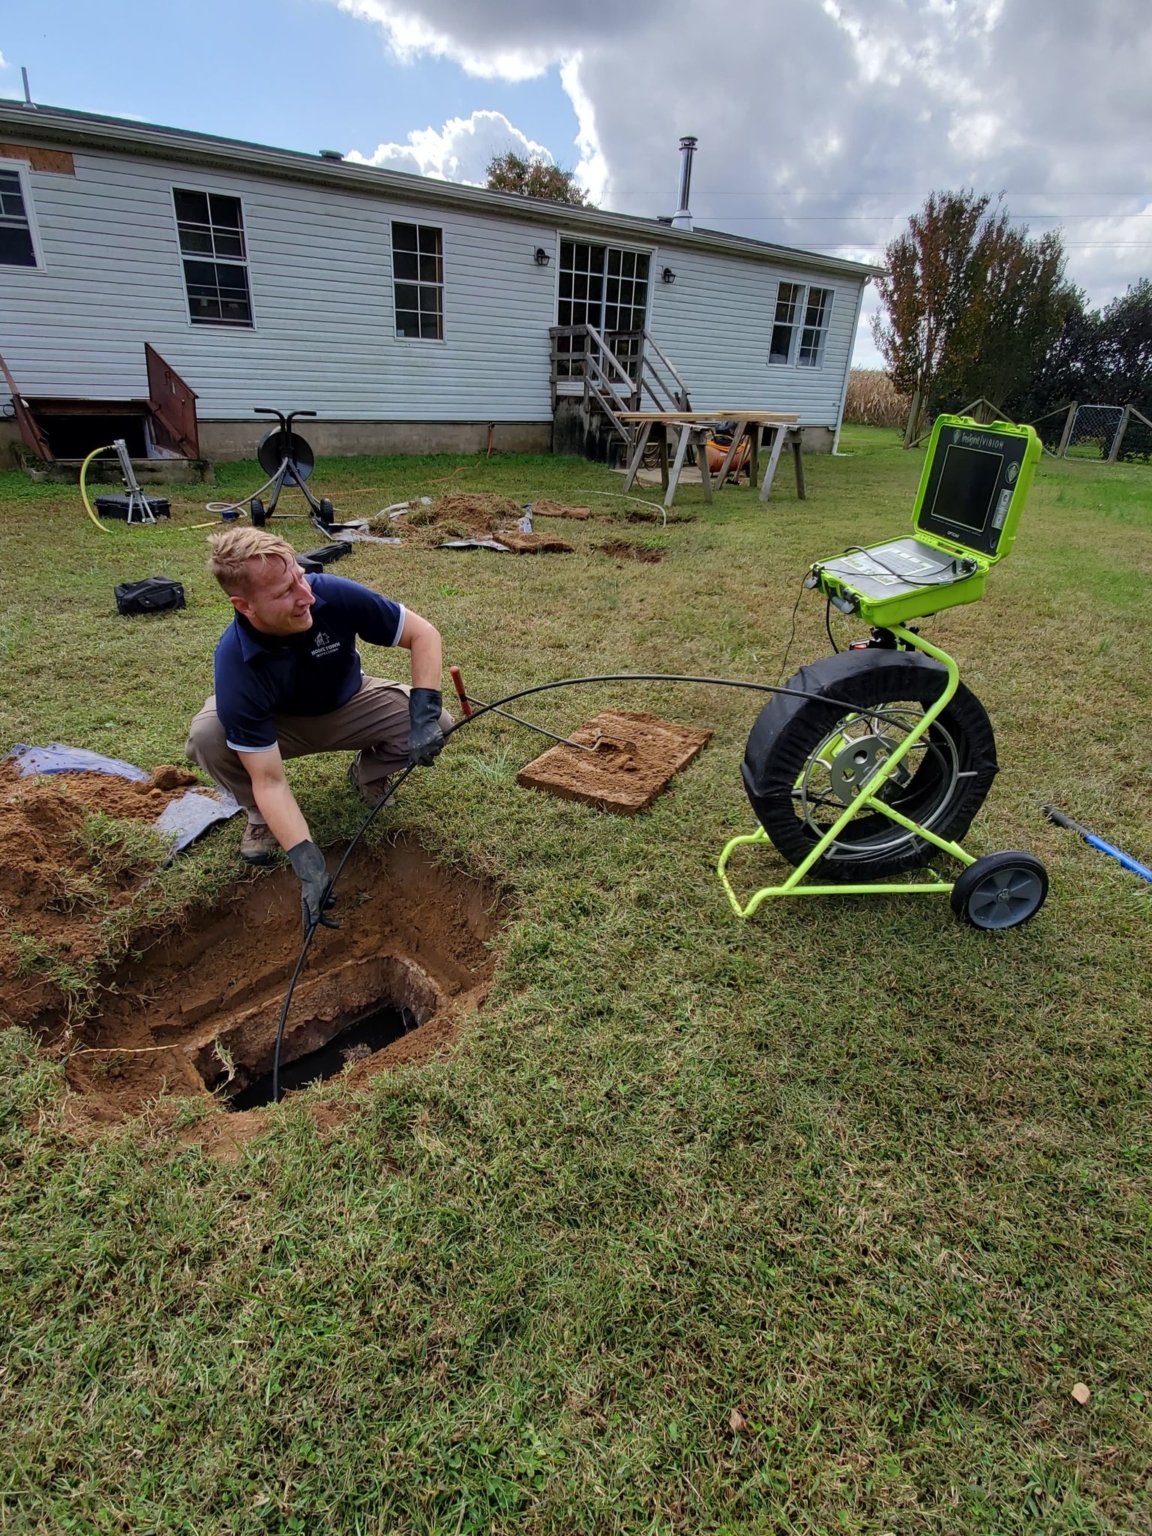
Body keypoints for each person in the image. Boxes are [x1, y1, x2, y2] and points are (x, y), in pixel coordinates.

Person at [187, 527, 452, 932]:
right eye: (284, 593)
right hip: (280, 726)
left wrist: (423, 711)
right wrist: (307, 863)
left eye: (298, 576)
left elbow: (423, 634)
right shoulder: (236, 665)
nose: (306, 597)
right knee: (208, 735)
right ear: (245, 606)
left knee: (438, 723)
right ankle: (259, 818)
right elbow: (270, 780)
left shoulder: (330, 592)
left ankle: (367, 775)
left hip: (349, 702)